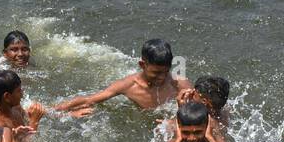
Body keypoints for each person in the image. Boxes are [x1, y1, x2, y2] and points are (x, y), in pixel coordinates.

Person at [55, 38, 191, 116]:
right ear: (142, 65)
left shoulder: (179, 84)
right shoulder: (128, 85)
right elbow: (90, 100)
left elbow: (202, 110)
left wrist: (176, 120)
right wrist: (59, 112)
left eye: (166, 72)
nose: (162, 77)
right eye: (156, 73)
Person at [0, 69, 46, 133]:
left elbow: (29, 113)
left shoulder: (16, 108)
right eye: (19, 91)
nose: (22, 94)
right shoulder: (0, 126)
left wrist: (55, 110)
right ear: (7, 97)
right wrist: (34, 122)